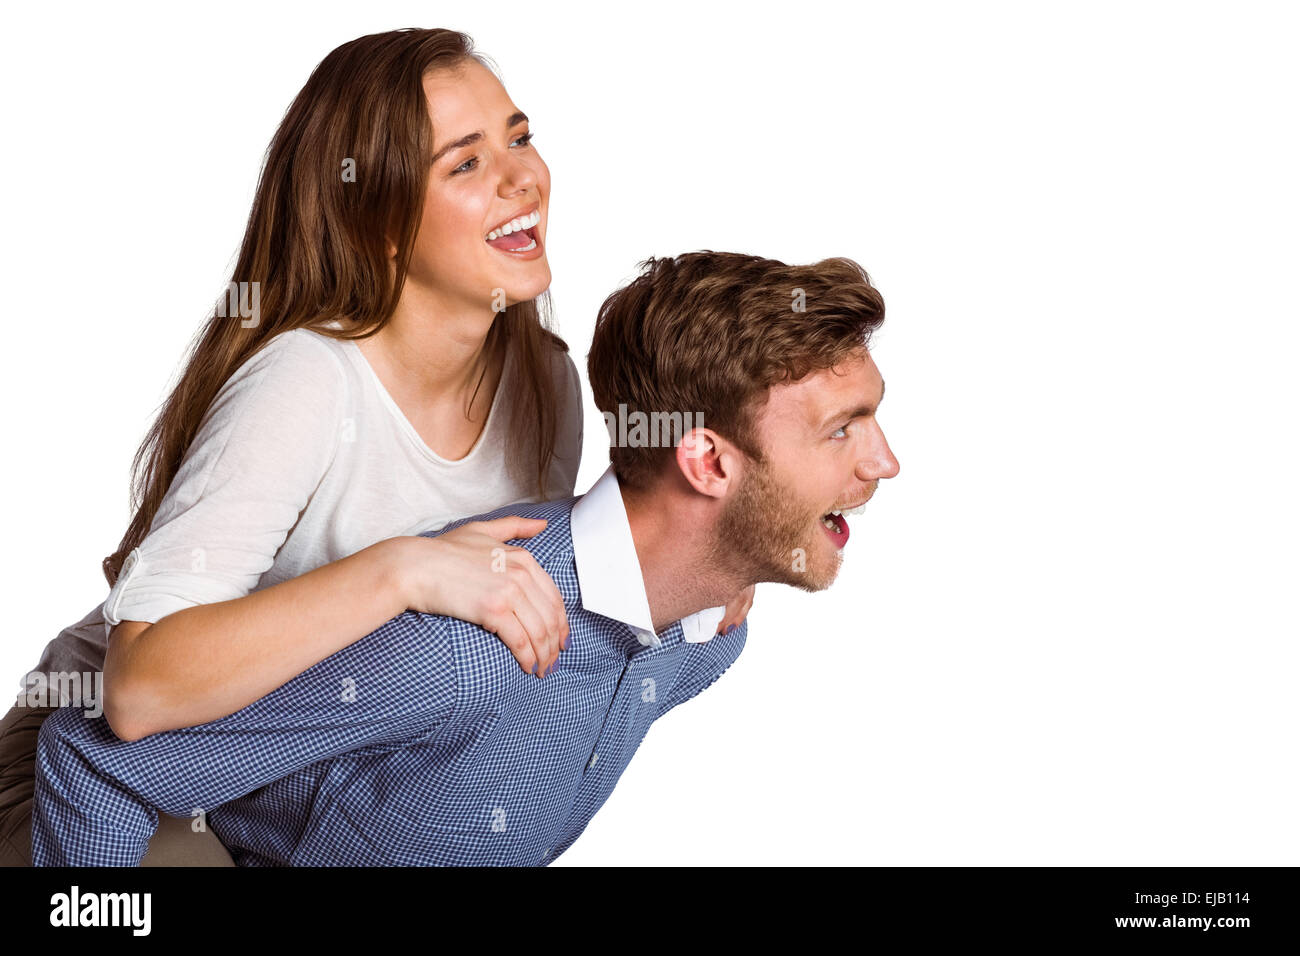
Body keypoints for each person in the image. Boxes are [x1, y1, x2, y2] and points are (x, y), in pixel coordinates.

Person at [0, 28, 755, 867]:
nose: (521, 178)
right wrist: (402, 571)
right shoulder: (306, 386)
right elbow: (135, 697)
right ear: (378, 221)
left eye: (519, 137)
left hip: (284, 774)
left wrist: (692, 566)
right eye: (464, 164)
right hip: (99, 777)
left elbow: (516, 628)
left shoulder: (542, 381)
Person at [31, 250, 899, 866]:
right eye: (841, 431)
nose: (883, 462)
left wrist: (716, 585)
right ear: (707, 461)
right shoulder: (460, 650)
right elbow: (95, 759)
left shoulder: (707, 640)